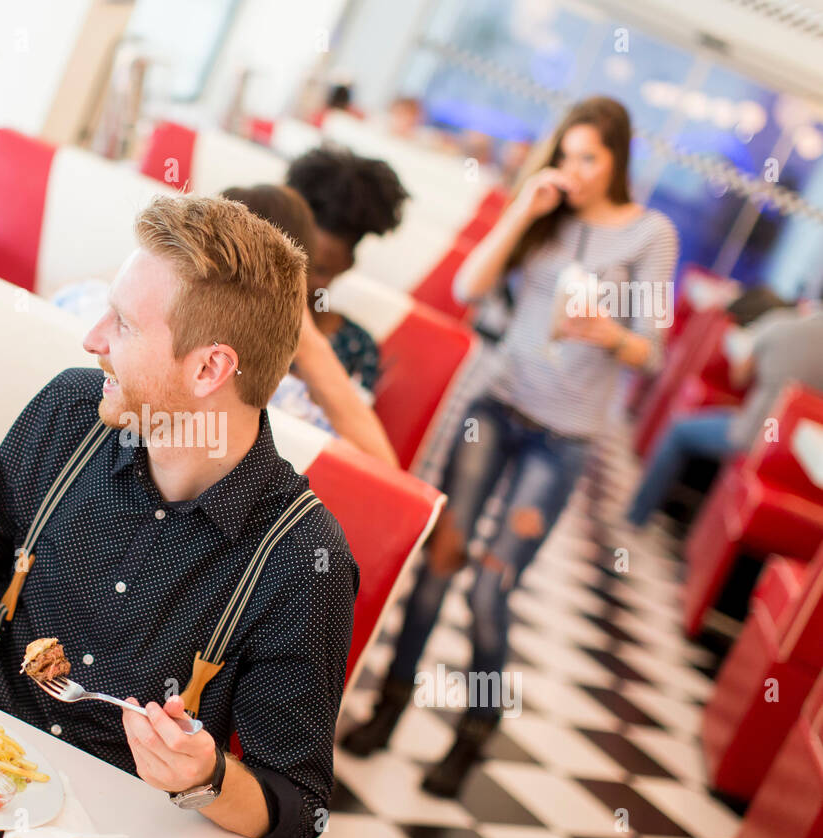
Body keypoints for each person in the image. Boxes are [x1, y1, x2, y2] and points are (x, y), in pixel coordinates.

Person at [0, 196, 359, 838]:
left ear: (211, 368)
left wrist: (207, 778)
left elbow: (299, 806)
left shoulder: (303, 560)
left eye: (123, 324)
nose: (92, 337)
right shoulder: (71, 409)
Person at [341, 96, 678, 796]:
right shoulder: (545, 211)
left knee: (492, 588)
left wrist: (609, 335)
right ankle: (387, 710)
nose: (575, 171)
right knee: (439, 565)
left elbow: (653, 350)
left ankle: (474, 733)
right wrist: (526, 206)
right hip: (495, 406)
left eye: (590, 158)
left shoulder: (651, 234)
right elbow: (470, 287)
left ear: (617, 160)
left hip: (564, 437)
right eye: (566, 155)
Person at [221, 183, 398, 466]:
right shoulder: (202, 326)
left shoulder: (329, 348)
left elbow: (380, 468)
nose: (315, 283)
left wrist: (303, 337)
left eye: (318, 268)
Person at [627, 297, 823, 527]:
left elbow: (738, 378)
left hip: (754, 436)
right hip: (794, 460)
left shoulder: (780, 324)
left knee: (679, 431)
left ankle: (636, 517)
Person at [285, 146, 409, 392]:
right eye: (291, 260)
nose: (301, 280)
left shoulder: (357, 349)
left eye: (319, 270)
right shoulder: (227, 309)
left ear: (346, 265)